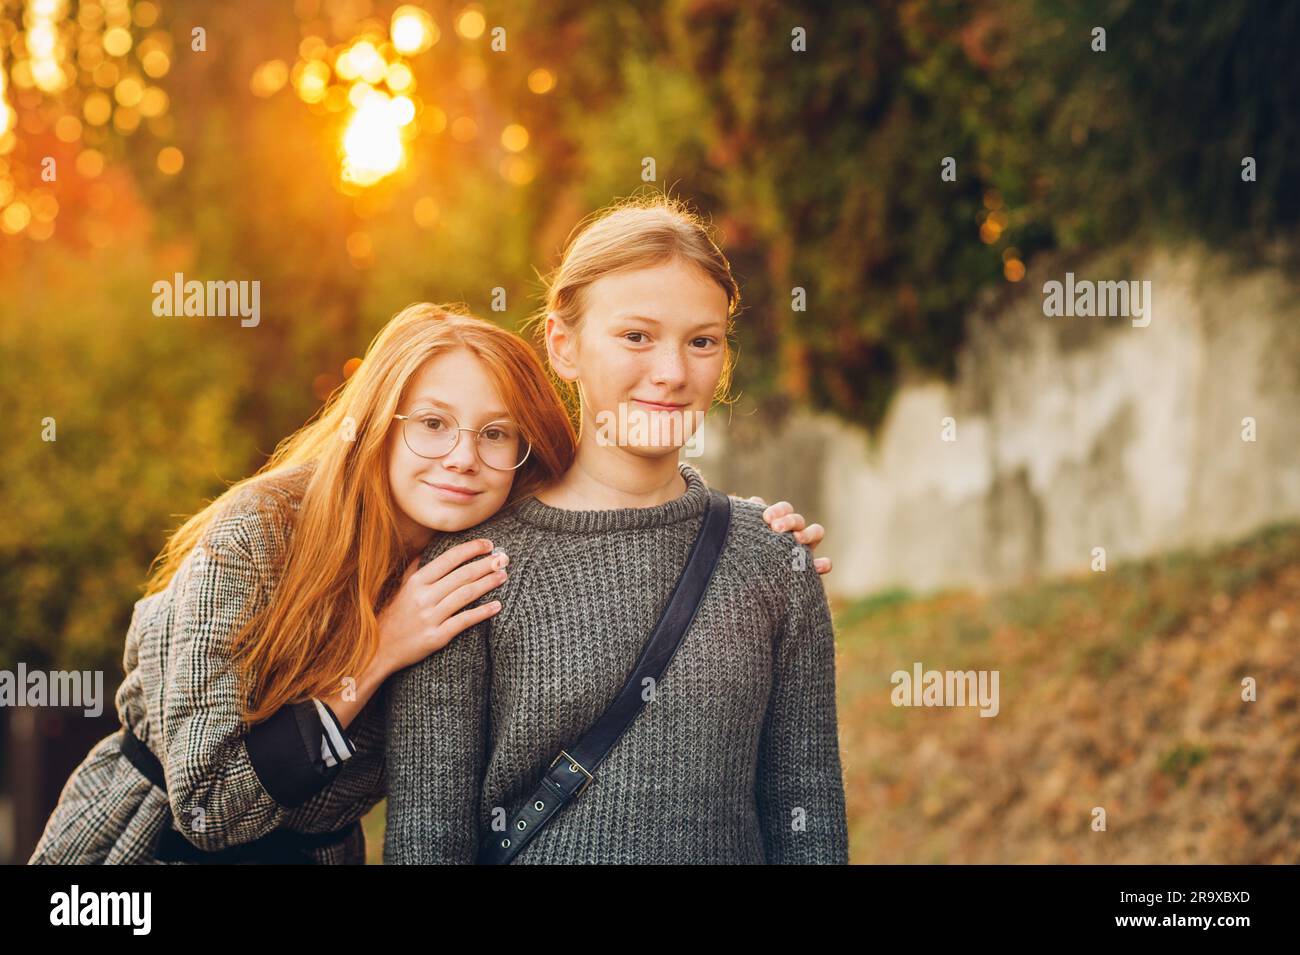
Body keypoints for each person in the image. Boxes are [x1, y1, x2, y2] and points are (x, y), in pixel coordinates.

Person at [30, 302, 827, 864]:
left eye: (495, 433)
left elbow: (612, 500)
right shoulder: (263, 533)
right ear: (380, 422)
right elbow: (209, 807)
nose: (462, 456)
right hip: (139, 850)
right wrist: (374, 652)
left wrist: (736, 532)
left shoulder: (480, 558)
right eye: (432, 423)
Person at [384, 197, 849, 864]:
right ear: (564, 346)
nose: (672, 372)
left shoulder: (773, 557)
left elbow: (811, 821)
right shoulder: (472, 562)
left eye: (702, 341)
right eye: (637, 336)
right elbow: (427, 839)